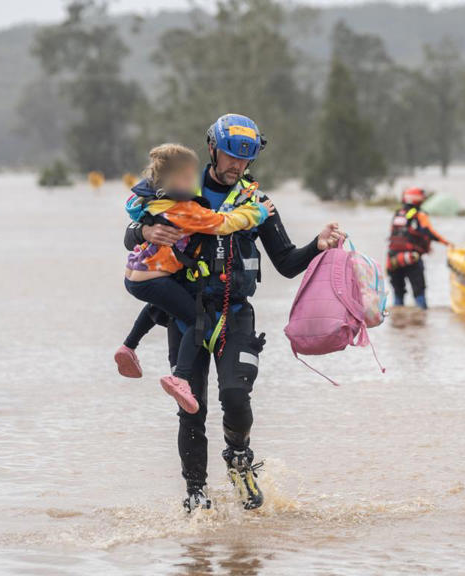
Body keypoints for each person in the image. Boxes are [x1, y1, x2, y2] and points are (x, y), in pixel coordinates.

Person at [123, 114, 343, 512]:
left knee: (236, 396)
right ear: (212, 149)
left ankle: (239, 458)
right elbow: (132, 231)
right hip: (186, 314)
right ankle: (196, 493)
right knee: (192, 407)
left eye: (245, 161)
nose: (236, 166)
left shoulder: (257, 203)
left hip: (236, 314)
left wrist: (319, 244)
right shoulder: (179, 187)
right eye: (229, 157)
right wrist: (144, 233)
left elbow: (288, 263)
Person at [120, 143, 273, 415]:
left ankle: (128, 346)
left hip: (135, 276)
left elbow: (131, 209)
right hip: (153, 277)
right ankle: (180, 377)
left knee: (160, 305)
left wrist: (143, 227)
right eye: (190, 178)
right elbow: (223, 223)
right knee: (194, 320)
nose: (195, 183)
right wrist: (258, 213)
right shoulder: (186, 209)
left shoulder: (151, 200)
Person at [386, 187, 451, 309]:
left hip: (393, 259)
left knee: (398, 294)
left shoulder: (398, 214)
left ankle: (397, 322)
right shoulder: (419, 215)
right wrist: (448, 244)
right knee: (419, 292)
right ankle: (421, 321)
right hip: (412, 258)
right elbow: (429, 232)